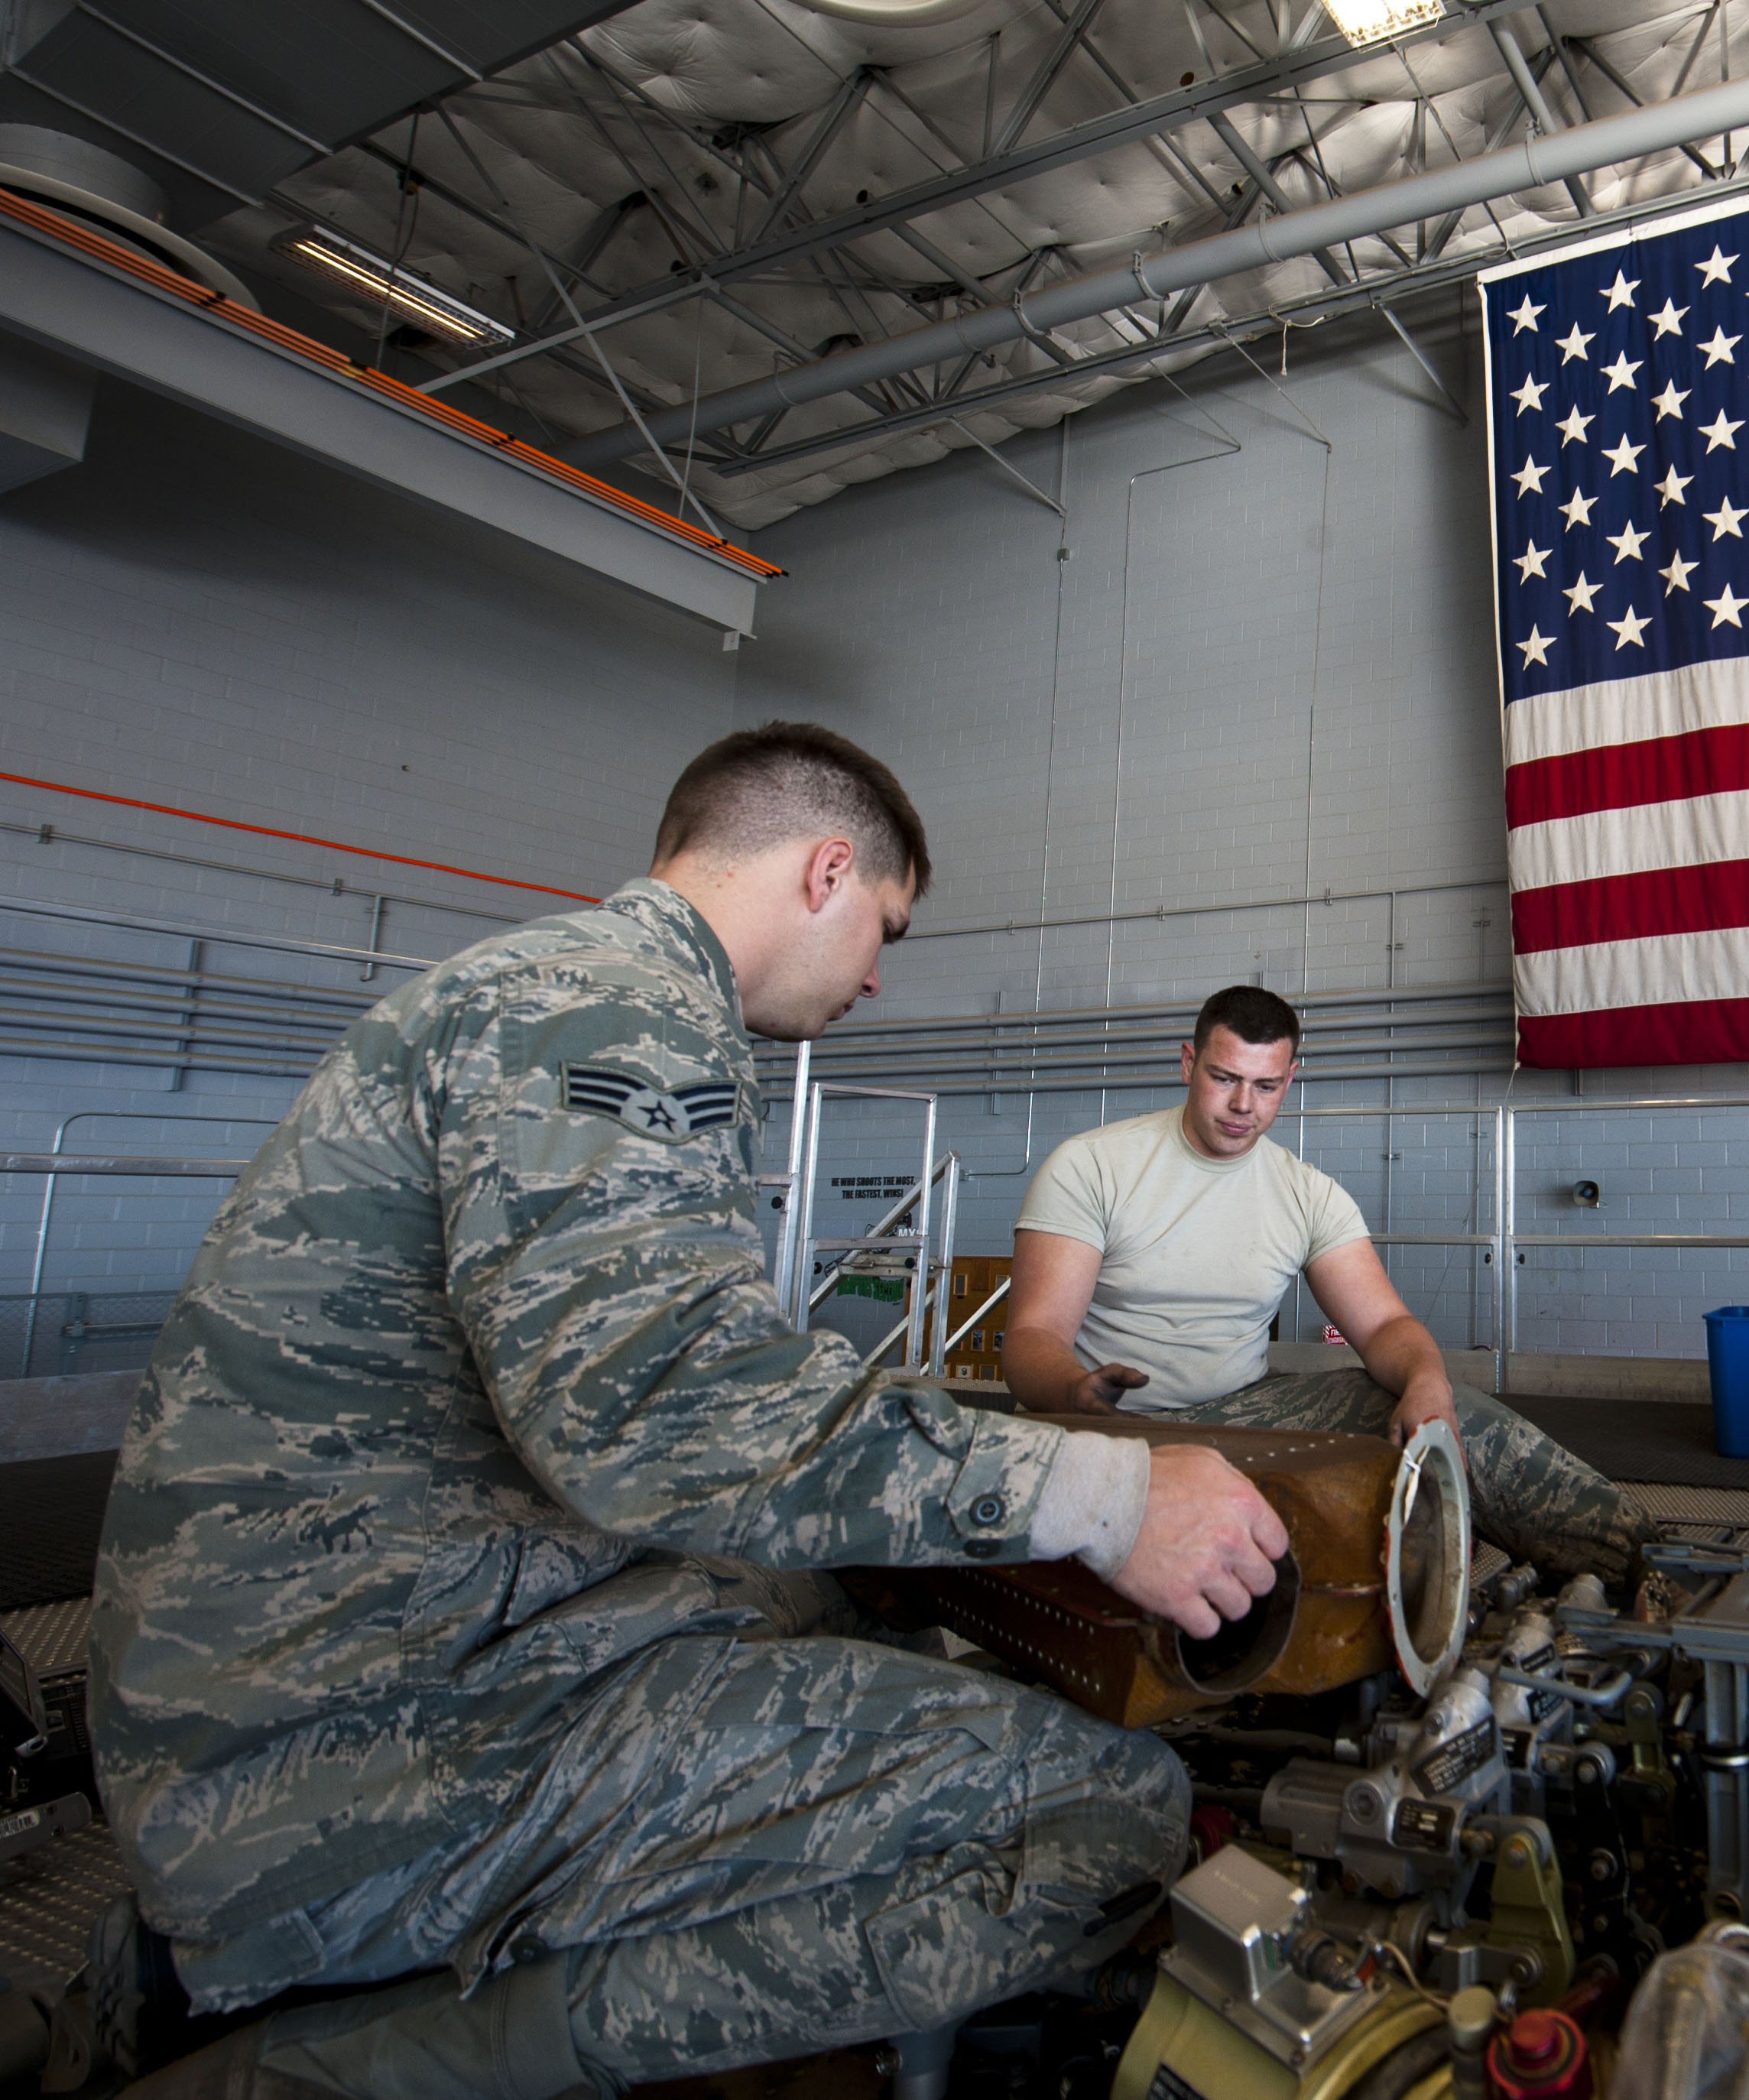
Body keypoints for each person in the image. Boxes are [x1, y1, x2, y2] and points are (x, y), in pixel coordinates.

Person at [88, 725, 1290, 2098]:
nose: (878, 975)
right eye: (884, 929)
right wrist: (1104, 1496)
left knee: (813, 1603)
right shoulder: (617, 1009)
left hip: (336, 1668)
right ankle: (332, 2066)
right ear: (827, 870)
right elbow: (662, 1408)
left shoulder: (558, 984)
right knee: (1104, 1814)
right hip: (339, 1759)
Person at [1001, 986, 1653, 1584]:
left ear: (1291, 1080)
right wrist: (1073, 1389)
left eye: (1265, 1086)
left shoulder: (1308, 1194)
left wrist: (1430, 1383)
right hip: (1105, 1430)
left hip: (1236, 1417)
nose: (1241, 1106)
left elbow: (1385, 1328)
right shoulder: (1091, 1167)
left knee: (1451, 1416)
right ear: (1186, 1063)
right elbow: (1032, 1336)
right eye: (1223, 1078)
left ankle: (1647, 1565)